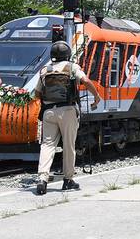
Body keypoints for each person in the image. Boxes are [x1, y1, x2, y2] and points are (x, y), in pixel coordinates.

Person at [32, 40, 103, 195]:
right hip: (68, 111)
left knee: (47, 145)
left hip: (48, 112)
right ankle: (68, 180)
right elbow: (85, 81)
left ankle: (42, 179)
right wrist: (96, 96)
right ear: (68, 54)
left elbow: (37, 93)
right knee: (68, 145)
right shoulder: (72, 67)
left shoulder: (44, 70)